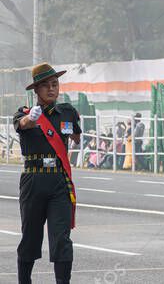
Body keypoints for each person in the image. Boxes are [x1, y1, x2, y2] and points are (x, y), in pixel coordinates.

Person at [13, 63, 80, 284]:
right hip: (34, 180)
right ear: (36, 91)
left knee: (61, 237)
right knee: (31, 237)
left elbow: (76, 136)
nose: (52, 89)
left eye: (55, 84)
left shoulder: (67, 112)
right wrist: (32, 118)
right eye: (46, 86)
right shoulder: (24, 113)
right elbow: (23, 124)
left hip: (59, 181)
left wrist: (75, 135)